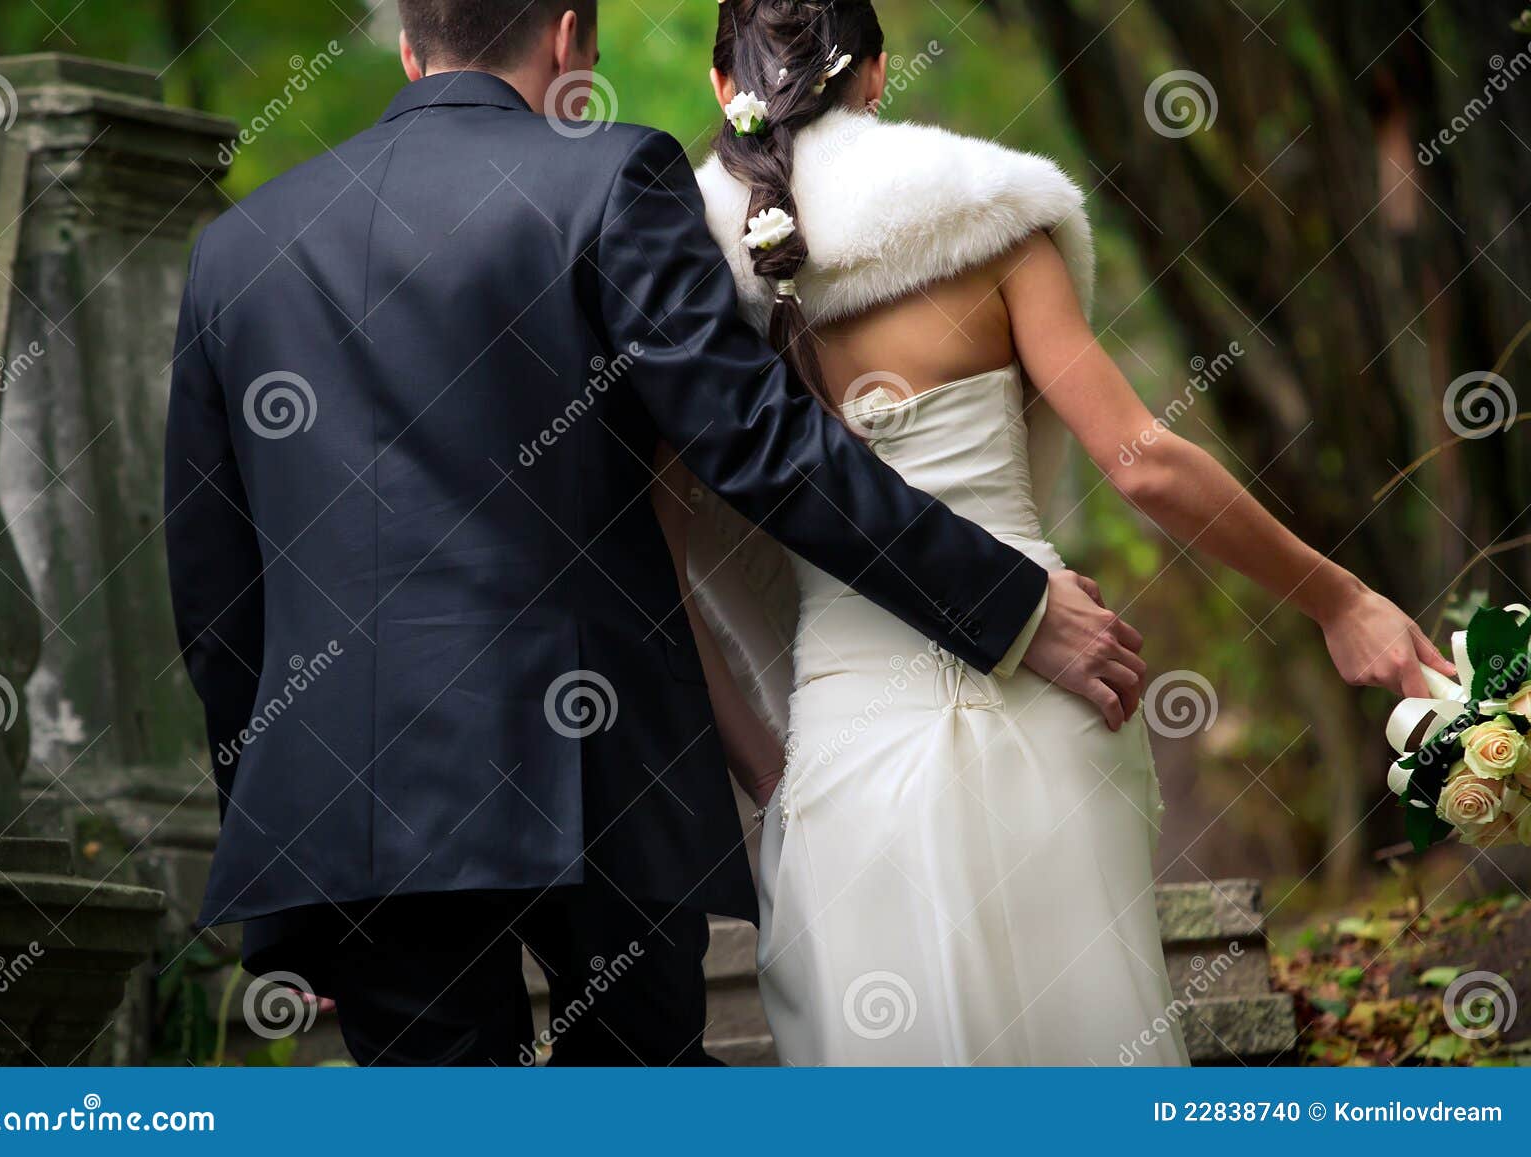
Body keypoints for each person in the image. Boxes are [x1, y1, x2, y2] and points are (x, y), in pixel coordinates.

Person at [163, 0, 1147, 1066]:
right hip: (590, 775)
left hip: (350, 795)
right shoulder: (609, 179)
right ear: (570, 36)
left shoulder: (235, 251)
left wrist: (288, 849)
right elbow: (757, 444)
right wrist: (1004, 605)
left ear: (411, 49)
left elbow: (216, 594)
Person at [659, 0, 1454, 1064]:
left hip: (845, 736)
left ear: (726, 91)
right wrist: (1338, 598)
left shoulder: (676, 272)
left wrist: (769, 772)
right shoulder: (983, 213)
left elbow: (670, 539)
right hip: (1050, 682)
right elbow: (1142, 459)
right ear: (879, 74)